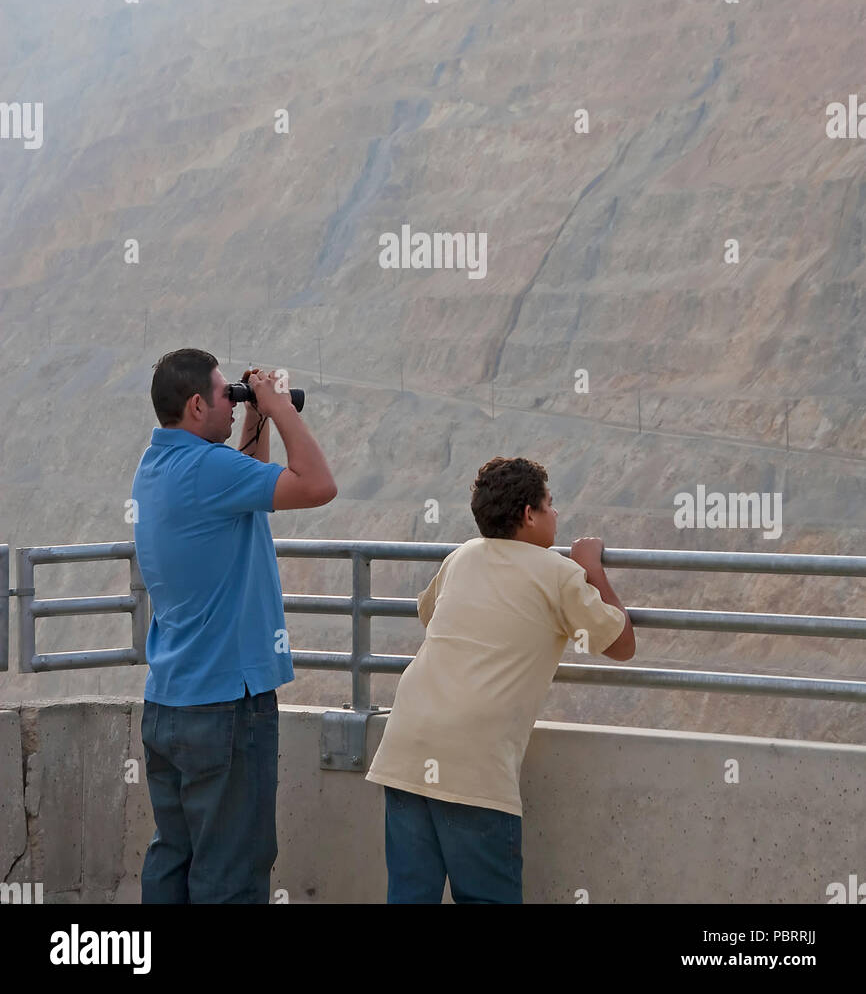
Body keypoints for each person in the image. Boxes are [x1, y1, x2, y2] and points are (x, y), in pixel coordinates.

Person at [365, 455, 635, 903]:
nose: (556, 515)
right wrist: (592, 568)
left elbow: (428, 616)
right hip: (473, 764)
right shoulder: (561, 575)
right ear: (529, 515)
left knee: (410, 895)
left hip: (407, 747)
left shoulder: (462, 556)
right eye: (550, 505)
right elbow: (621, 644)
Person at [132, 348, 336, 904]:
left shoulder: (158, 466)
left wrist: (254, 418)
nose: (234, 400)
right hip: (226, 707)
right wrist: (278, 405)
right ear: (197, 405)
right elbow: (317, 484)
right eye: (228, 394)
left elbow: (246, 489)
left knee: (174, 861)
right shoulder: (207, 469)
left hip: (172, 704)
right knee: (232, 871)